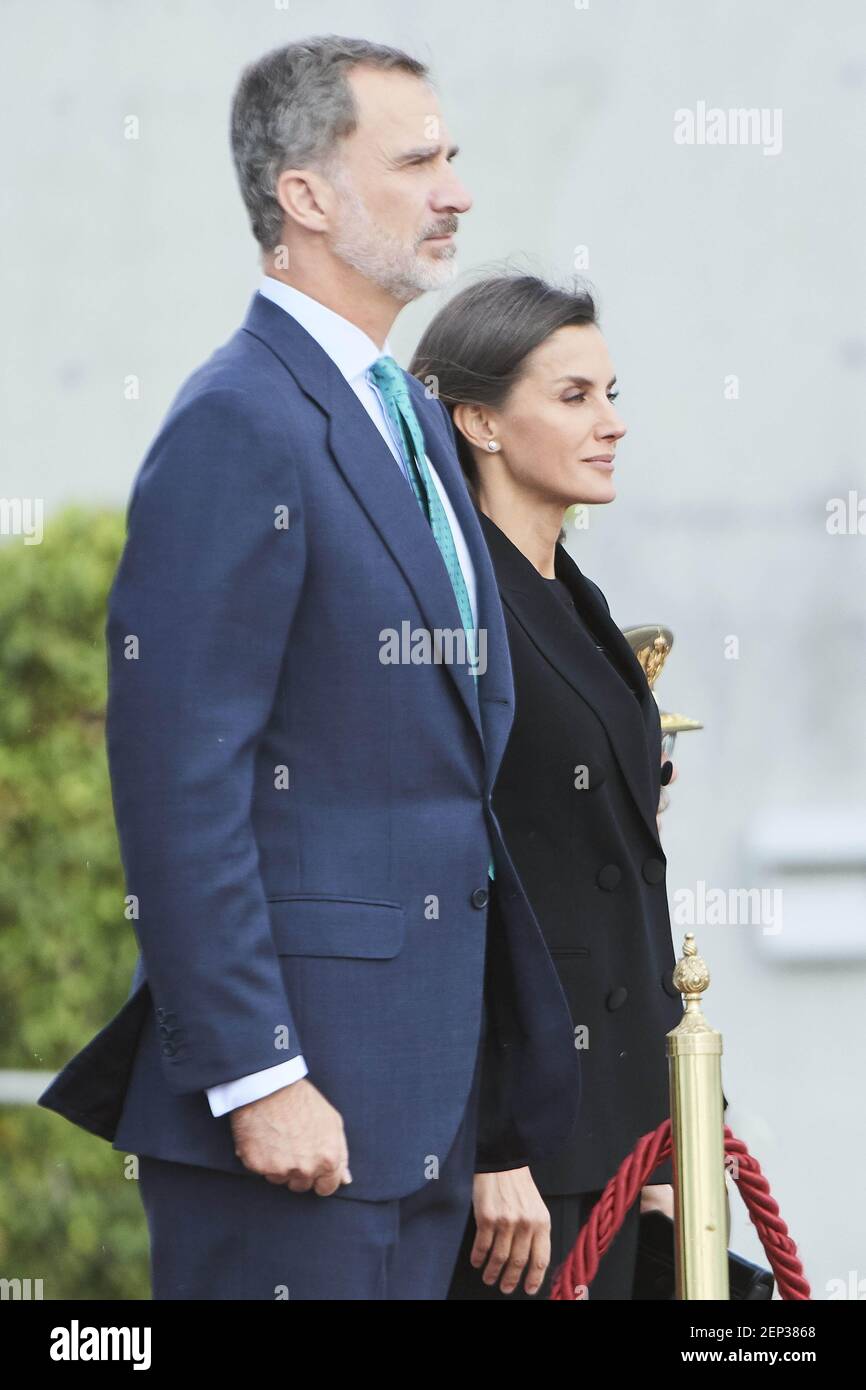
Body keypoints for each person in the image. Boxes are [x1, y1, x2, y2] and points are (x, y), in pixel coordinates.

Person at [37, 41, 581, 1301]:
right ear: (305, 197)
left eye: (452, 157)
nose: (454, 189)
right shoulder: (241, 417)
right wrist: (258, 1072)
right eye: (417, 159)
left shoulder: (402, 416)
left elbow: (441, 757)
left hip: (422, 1109)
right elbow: (180, 775)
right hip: (296, 1120)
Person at [410, 273, 694, 1299]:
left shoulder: (573, 596)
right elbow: (445, 883)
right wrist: (490, 1143)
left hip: (614, 1127)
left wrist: (663, 1143)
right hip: (521, 1149)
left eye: (610, 392)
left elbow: (625, 885)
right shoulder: (450, 606)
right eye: (573, 397)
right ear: (477, 418)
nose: (611, 423)